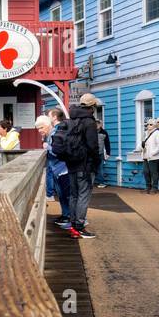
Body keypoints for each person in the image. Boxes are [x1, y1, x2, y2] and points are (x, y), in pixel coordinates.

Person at [53, 92, 102, 239]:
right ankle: (79, 226)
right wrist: (96, 163)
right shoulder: (89, 122)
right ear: (92, 106)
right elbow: (93, 146)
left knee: (74, 195)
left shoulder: (72, 119)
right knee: (83, 195)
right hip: (85, 165)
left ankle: (73, 225)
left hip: (71, 163)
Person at [37, 114, 71, 228]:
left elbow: (59, 151)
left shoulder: (55, 134)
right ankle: (65, 215)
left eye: (41, 128)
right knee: (61, 195)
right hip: (56, 169)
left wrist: (48, 147)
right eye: (38, 129)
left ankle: (71, 218)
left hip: (63, 169)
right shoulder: (48, 136)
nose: (39, 131)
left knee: (67, 195)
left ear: (47, 125)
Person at [142, 119, 159, 193]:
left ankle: (154, 187)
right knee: (146, 171)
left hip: (154, 157)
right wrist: (138, 149)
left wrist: (152, 153)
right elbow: (142, 143)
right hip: (145, 155)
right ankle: (148, 186)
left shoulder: (158, 133)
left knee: (153, 172)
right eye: (147, 124)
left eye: (150, 124)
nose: (148, 126)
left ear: (154, 125)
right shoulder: (146, 133)